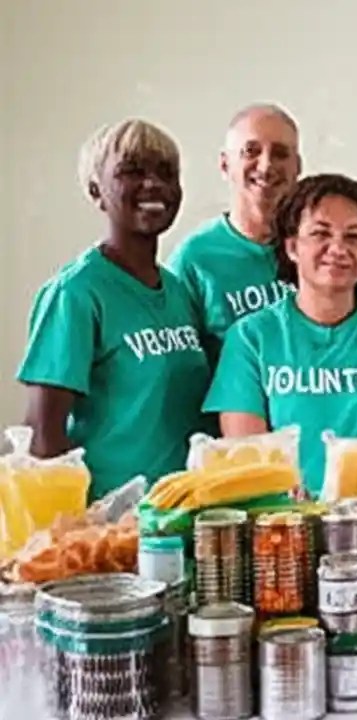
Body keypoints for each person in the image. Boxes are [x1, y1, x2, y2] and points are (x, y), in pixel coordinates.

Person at [203, 174, 357, 520]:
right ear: (292, 247)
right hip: (286, 530)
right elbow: (247, 462)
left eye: (354, 237)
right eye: (320, 234)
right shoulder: (251, 338)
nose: (338, 249)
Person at [16, 119, 212, 500]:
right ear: (96, 191)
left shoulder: (177, 290)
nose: (152, 184)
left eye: (166, 173)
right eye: (132, 171)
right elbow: (42, 435)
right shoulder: (75, 293)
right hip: (108, 519)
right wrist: (75, 526)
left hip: (179, 514)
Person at [168, 104, 301, 358]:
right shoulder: (194, 259)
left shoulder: (317, 251)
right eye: (251, 151)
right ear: (225, 164)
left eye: (280, 154)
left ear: (297, 167)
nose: (266, 166)